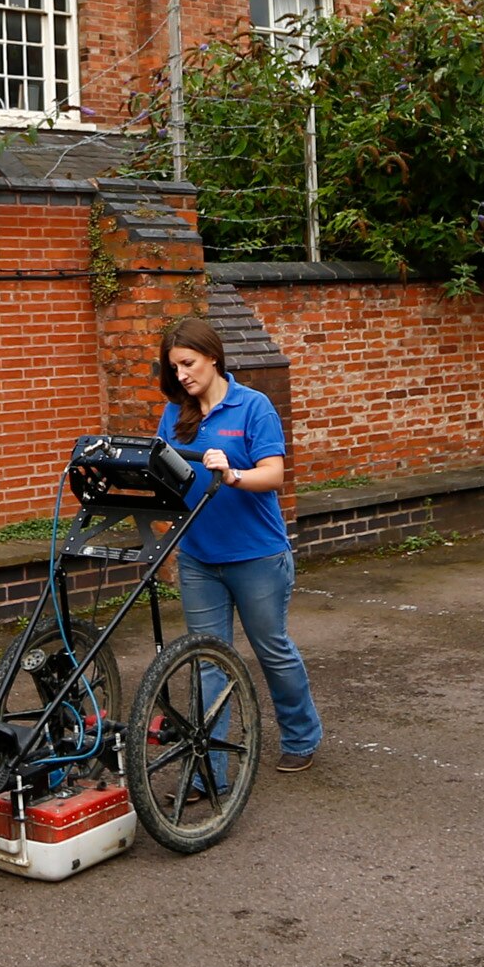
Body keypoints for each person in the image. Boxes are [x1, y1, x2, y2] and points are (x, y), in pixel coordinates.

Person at [155, 315, 323, 772]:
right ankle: (211, 774)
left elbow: (274, 475)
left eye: (188, 363)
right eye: (174, 368)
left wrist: (232, 474)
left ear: (213, 356)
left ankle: (302, 737)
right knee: (208, 661)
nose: (182, 375)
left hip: (257, 557)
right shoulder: (174, 415)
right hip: (199, 559)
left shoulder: (254, 407)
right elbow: (164, 476)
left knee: (271, 650)